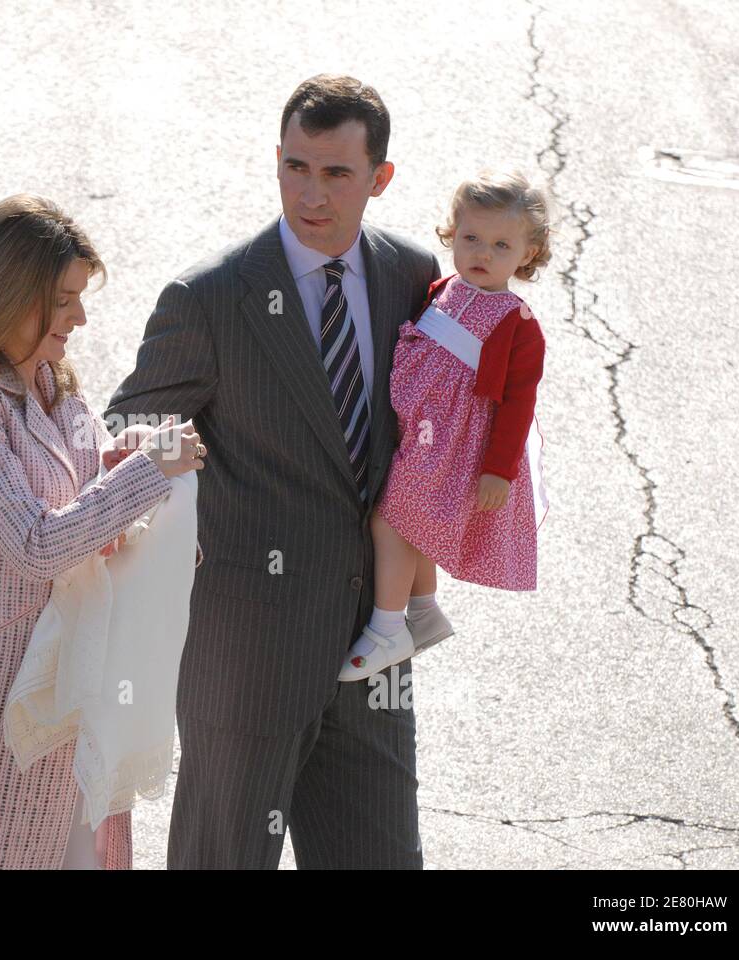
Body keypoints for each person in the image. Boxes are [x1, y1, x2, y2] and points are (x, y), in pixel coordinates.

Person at [103, 74, 438, 868]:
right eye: (295, 167)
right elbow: (123, 427)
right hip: (245, 654)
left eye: (336, 173)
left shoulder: (415, 276)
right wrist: (157, 473)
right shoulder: (211, 296)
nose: (311, 193)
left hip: (372, 647)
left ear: (380, 179)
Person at [0, 193, 205, 870]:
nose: (80, 317)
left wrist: (128, 458)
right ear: (6, 296)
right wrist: (143, 473)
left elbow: (87, 501)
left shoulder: (56, 386)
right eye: (63, 299)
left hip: (67, 687)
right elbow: (36, 545)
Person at [339, 170, 552, 681]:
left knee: (391, 521)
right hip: (419, 435)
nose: (482, 252)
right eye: (471, 237)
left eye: (501, 244)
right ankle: (425, 611)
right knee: (410, 525)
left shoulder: (516, 324)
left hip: (457, 450)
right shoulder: (443, 288)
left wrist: (497, 470)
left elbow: (519, 405)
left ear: (527, 253)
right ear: (451, 233)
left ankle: (389, 626)